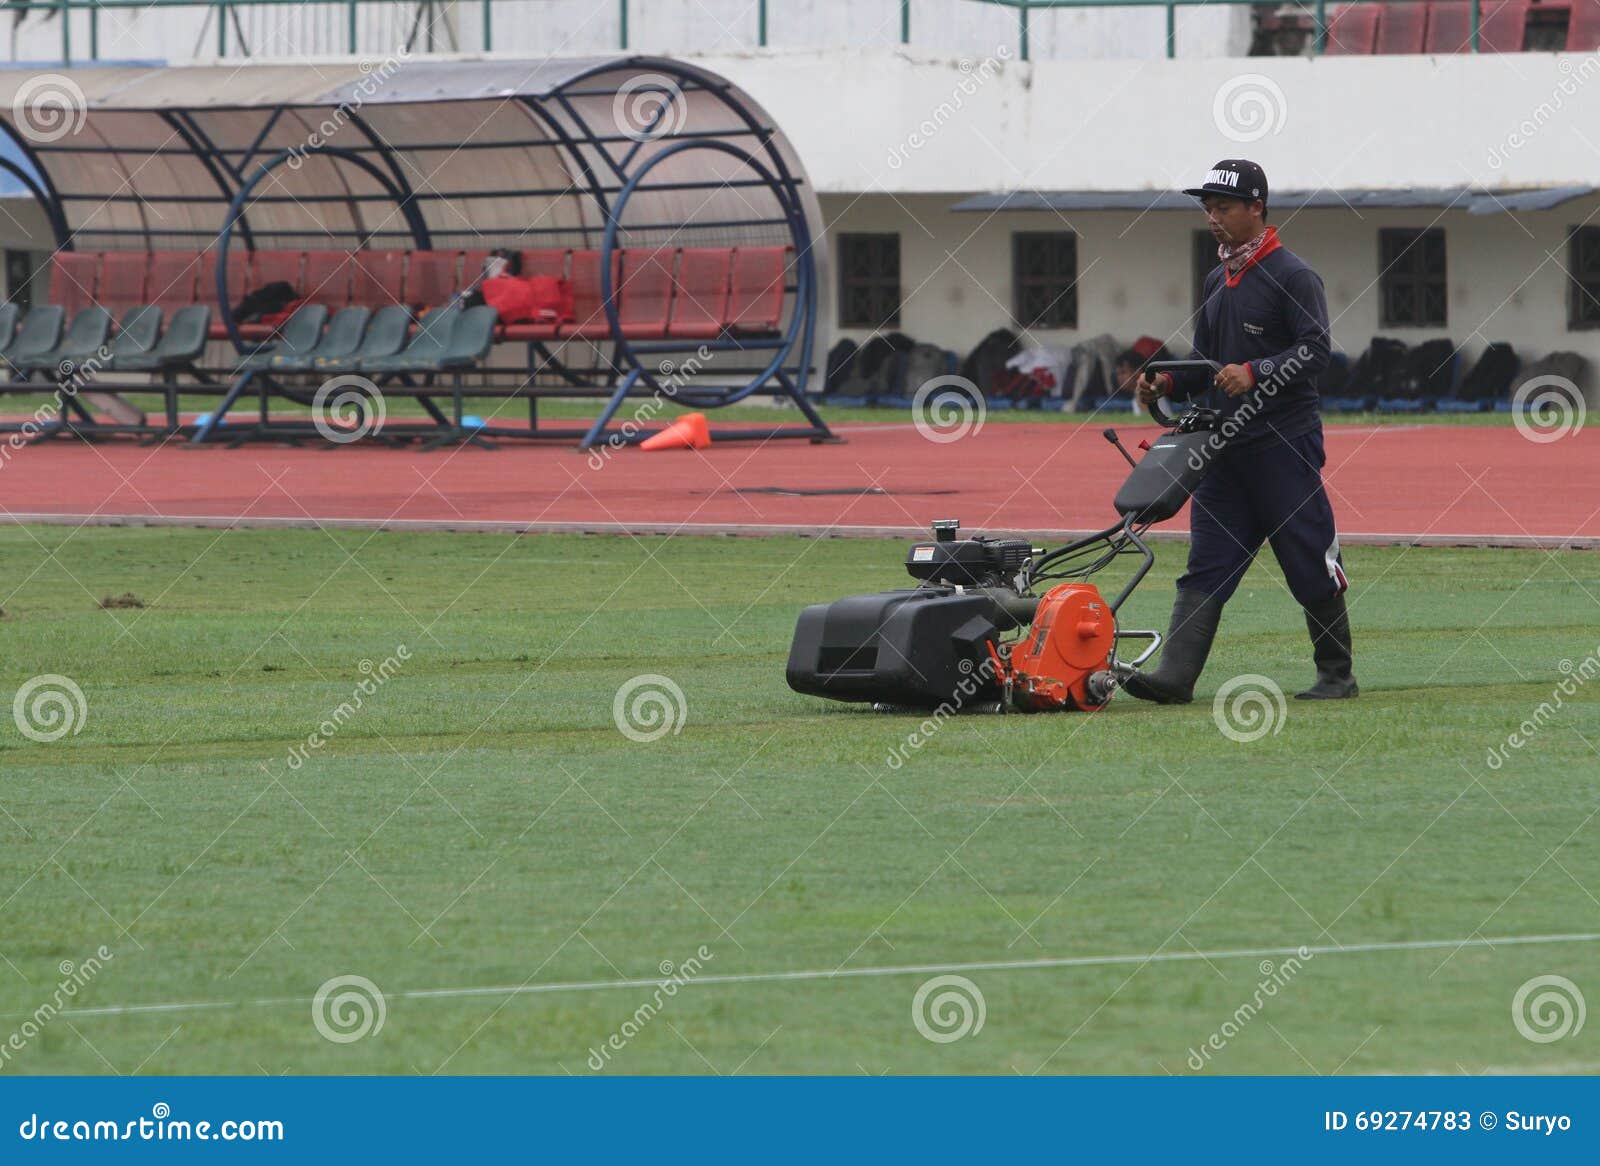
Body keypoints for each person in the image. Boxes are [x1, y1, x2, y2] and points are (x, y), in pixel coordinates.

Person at [1126, 158, 1357, 704]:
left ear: (1257, 207)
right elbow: (1206, 361)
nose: (1213, 217)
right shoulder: (1216, 278)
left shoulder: (1293, 275)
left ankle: (1336, 676)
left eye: (1223, 206)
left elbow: (1316, 350)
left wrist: (1256, 371)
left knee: (1307, 558)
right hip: (1222, 451)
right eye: (1208, 208)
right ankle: (1175, 678)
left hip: (1283, 447)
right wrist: (1165, 381)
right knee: (1205, 565)